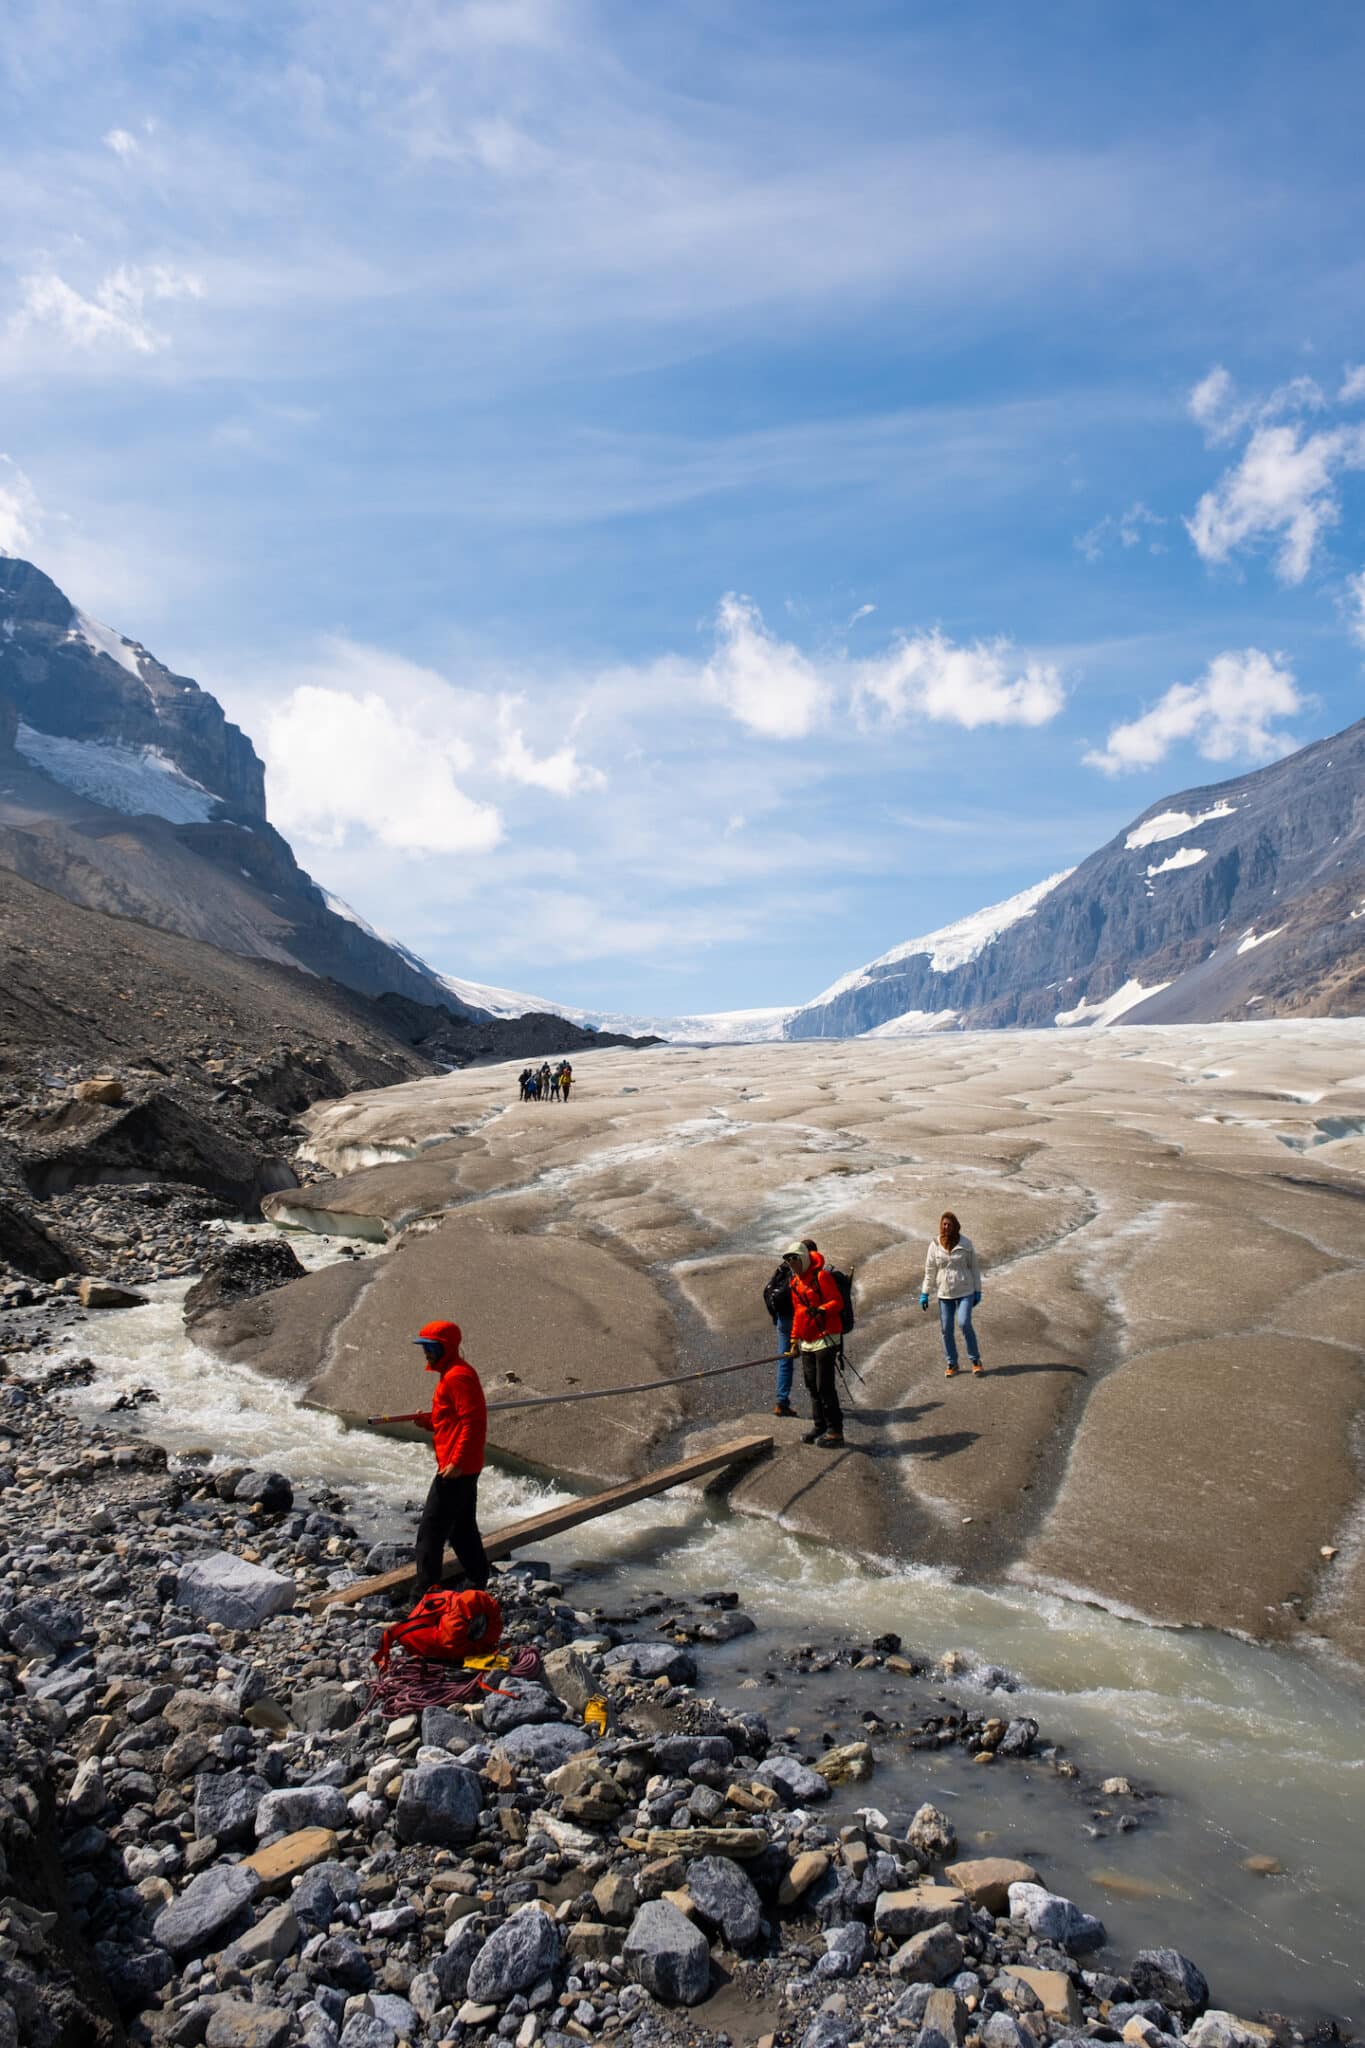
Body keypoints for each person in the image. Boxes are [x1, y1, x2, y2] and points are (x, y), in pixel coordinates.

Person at [410, 1320, 491, 1596]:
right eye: (425, 1347)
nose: (426, 1353)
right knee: (461, 1529)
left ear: (446, 1348)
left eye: (431, 1347)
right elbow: (453, 1418)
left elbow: (474, 1422)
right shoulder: (453, 1373)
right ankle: (477, 1581)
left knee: (430, 1534)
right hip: (463, 1466)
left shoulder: (457, 1376)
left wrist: (456, 1461)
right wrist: (430, 1421)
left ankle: (425, 1595)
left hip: (456, 1468)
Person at [784, 1240, 845, 1447]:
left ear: (803, 1259)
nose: (791, 1264)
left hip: (827, 1336)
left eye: (794, 1259)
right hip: (807, 1341)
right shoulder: (795, 1283)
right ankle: (819, 1425)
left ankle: (835, 1431)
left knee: (824, 1386)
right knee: (812, 1385)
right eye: (788, 1260)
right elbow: (798, 1315)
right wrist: (793, 1340)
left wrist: (822, 1310)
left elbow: (838, 1302)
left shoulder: (822, 1277)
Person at [920, 1212, 984, 1377]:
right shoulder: (934, 1245)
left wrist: (977, 1291)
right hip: (944, 1294)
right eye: (944, 1224)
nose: (946, 1227)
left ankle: (975, 1360)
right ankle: (952, 1363)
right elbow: (930, 1271)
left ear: (955, 1226)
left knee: (964, 1323)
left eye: (949, 1224)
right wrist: (924, 1293)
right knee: (946, 1329)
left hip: (965, 1291)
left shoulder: (966, 1244)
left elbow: (974, 1269)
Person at [762, 1257, 795, 1415]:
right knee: (815, 1358)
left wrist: (776, 1319)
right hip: (800, 1318)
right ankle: (822, 1401)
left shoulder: (783, 1269)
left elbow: (769, 1291)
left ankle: (781, 1402)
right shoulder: (807, 1271)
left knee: (784, 1360)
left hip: (782, 1318)